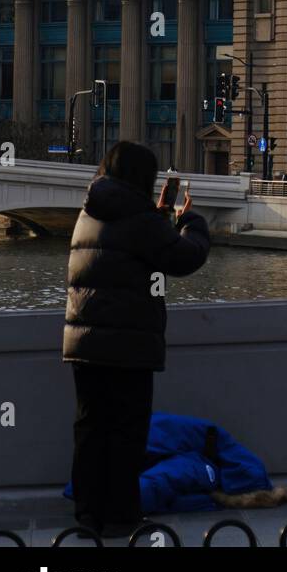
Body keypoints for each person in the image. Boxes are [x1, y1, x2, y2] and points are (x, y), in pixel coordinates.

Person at [62, 140, 211, 538]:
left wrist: (158, 213)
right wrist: (190, 221)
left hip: (84, 343)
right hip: (128, 345)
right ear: (141, 177)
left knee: (91, 429)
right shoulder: (140, 219)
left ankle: (88, 515)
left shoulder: (89, 211)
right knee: (127, 433)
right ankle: (122, 517)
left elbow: (129, 247)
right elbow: (182, 257)